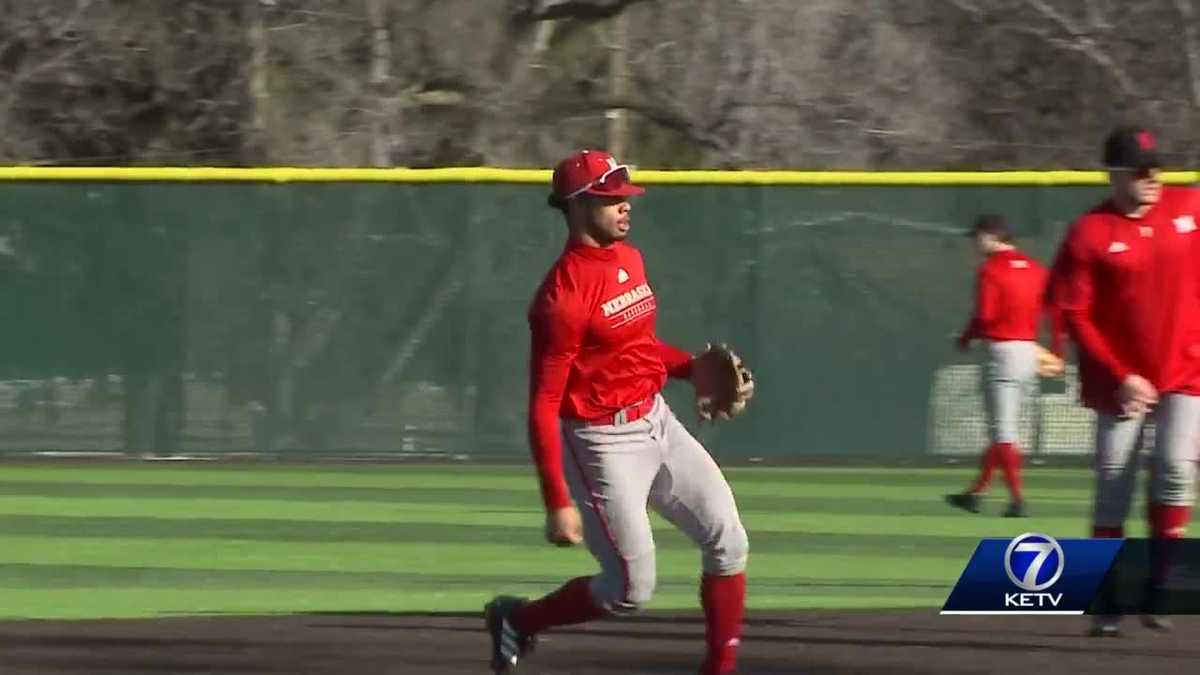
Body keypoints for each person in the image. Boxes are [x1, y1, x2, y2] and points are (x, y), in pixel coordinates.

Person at [485, 150, 750, 674]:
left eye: (626, 196)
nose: (625, 206)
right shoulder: (561, 298)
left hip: (657, 420)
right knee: (630, 588)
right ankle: (519, 620)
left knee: (729, 543)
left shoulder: (630, 259)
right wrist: (556, 500)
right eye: (611, 198)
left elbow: (639, 348)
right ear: (578, 205)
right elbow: (543, 402)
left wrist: (690, 369)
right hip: (602, 443)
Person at [1047, 125, 1200, 636]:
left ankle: (1159, 587)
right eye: (1139, 168)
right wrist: (1122, 374)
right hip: (1120, 382)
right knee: (1114, 486)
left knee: (1176, 469)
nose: (1152, 176)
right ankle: (1109, 598)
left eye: (1156, 166)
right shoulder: (1089, 232)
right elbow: (1076, 313)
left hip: (1186, 369)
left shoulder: (1188, 208)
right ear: (1114, 174)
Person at [945, 215, 1049, 518]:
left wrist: (965, 338)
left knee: (1003, 430)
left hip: (1001, 352)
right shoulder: (1036, 268)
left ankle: (1018, 499)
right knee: (1003, 428)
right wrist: (1054, 347)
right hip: (1028, 349)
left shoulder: (990, 269)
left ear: (991, 237)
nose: (975, 244)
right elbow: (1050, 307)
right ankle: (976, 493)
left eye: (977, 237)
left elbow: (986, 316)